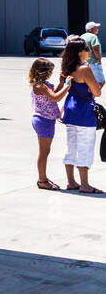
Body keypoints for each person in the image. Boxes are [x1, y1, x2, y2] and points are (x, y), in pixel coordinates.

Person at [57, 37, 103, 193]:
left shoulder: (67, 68)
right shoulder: (84, 69)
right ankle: (85, 184)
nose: (89, 51)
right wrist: (94, 86)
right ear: (79, 52)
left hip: (70, 111)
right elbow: (97, 91)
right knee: (85, 148)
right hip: (84, 113)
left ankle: (71, 182)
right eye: (86, 49)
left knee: (71, 147)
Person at [29, 58, 70, 190]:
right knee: (44, 152)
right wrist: (69, 86)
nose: (52, 73)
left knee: (45, 151)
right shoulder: (40, 86)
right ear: (44, 72)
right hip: (43, 120)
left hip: (44, 120)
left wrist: (61, 83)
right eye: (50, 71)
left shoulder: (43, 84)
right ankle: (42, 180)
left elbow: (54, 93)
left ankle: (43, 178)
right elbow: (56, 97)